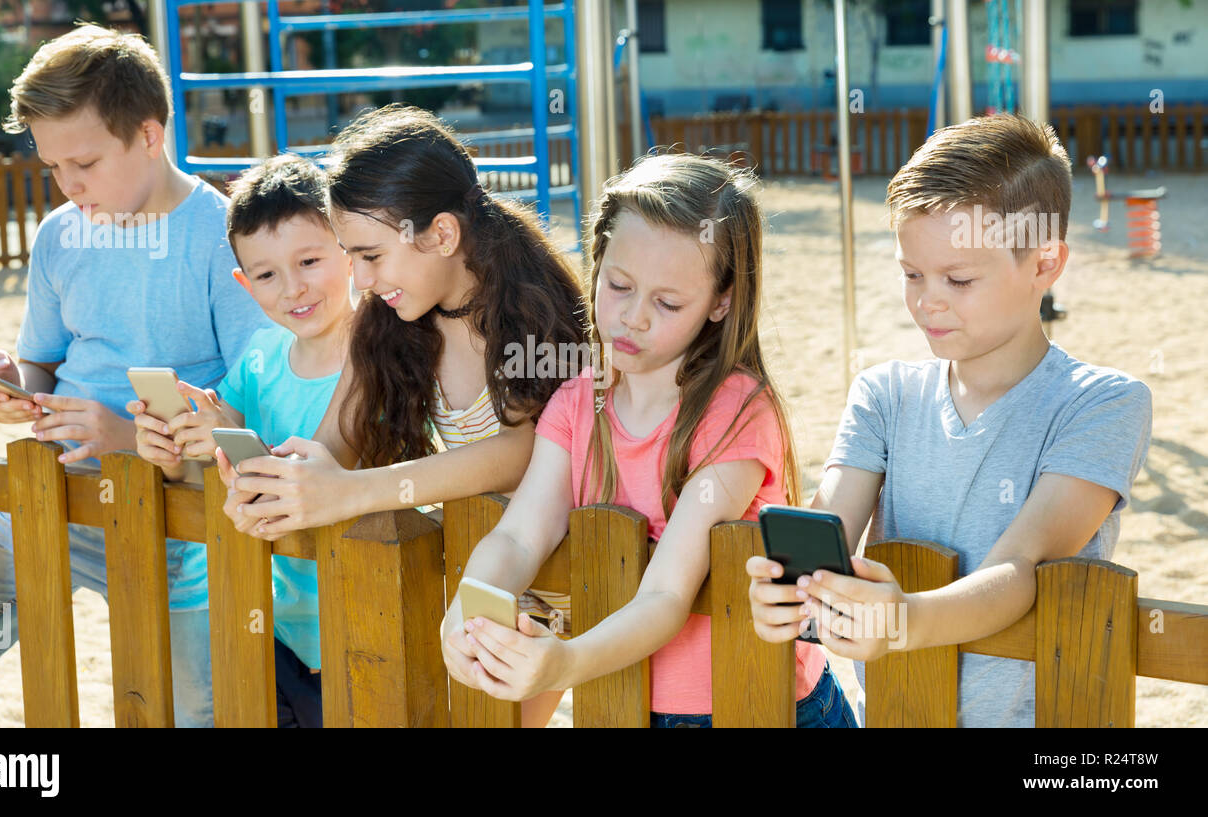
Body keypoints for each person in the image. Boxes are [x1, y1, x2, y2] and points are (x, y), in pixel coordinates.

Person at [0, 24, 269, 728]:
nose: (69, 187)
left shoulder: (225, 236)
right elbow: (43, 356)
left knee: (200, 715)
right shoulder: (58, 235)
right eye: (52, 168)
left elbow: (254, 414)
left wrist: (126, 437)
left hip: (182, 529)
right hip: (49, 496)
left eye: (85, 163)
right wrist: (14, 382)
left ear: (148, 135)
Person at [747, 114, 1153, 727]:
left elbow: (1021, 565)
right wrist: (789, 594)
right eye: (912, 274)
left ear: (1046, 262)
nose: (926, 300)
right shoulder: (884, 395)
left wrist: (902, 620)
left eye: (958, 279)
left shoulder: (1101, 404)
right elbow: (828, 524)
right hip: (899, 711)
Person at [441, 153, 857, 728]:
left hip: (755, 705)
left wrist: (565, 663)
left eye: (667, 303)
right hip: (623, 699)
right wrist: (467, 607)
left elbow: (667, 594)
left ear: (722, 301)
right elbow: (518, 536)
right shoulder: (574, 403)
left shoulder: (733, 413)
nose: (633, 317)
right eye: (618, 285)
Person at [216, 104, 588, 726]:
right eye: (350, 256)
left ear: (442, 235)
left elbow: (526, 452)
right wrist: (280, 484)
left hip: (568, 560)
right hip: (480, 561)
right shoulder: (389, 319)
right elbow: (334, 442)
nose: (359, 279)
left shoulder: (529, 309)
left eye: (371, 255)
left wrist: (354, 492)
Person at [129, 154, 352, 727]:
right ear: (244, 284)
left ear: (349, 249)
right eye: (267, 274)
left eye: (309, 260)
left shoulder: (382, 354)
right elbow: (215, 450)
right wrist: (176, 445)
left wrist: (228, 438)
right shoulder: (259, 360)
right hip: (271, 623)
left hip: (362, 616)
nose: (293, 288)